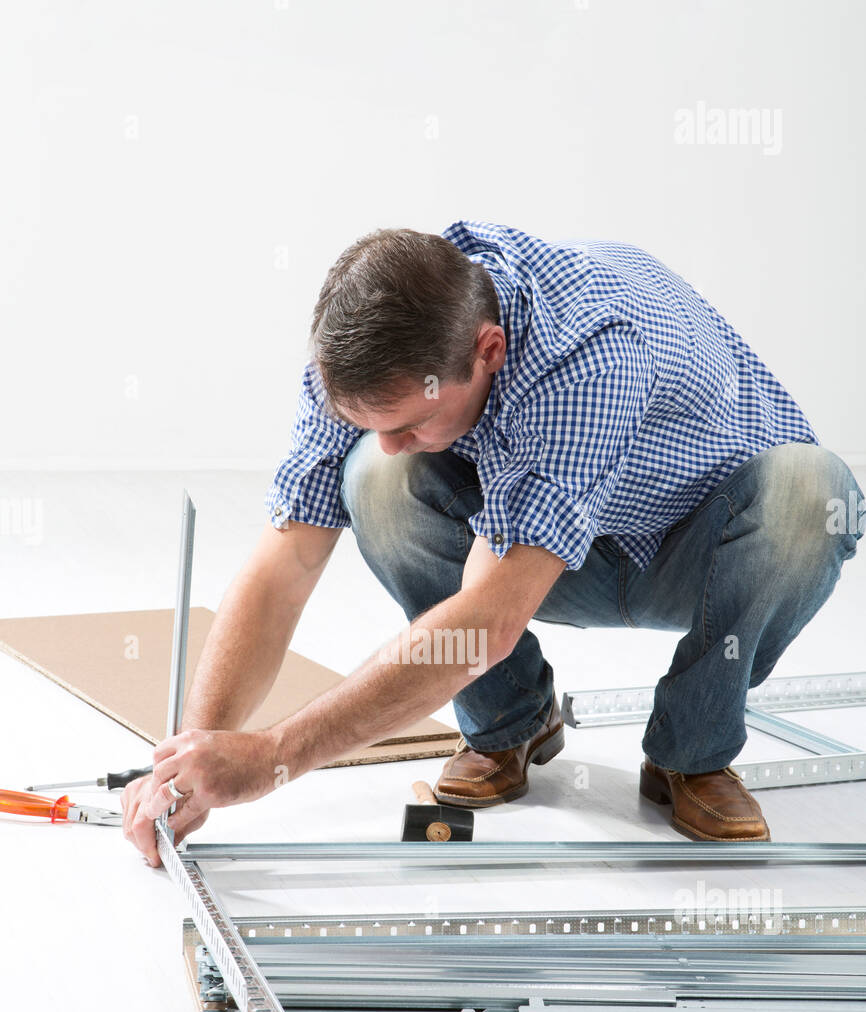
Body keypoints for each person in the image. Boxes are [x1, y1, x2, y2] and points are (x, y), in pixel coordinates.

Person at [122, 221, 863, 862]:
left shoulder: (591, 355)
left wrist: (276, 758)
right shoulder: (370, 353)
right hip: (562, 550)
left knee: (815, 495)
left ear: (489, 350)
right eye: (372, 421)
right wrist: (192, 758)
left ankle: (691, 757)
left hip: (707, 555)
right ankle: (512, 724)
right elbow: (283, 565)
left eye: (408, 421)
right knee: (376, 483)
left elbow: (487, 620)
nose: (389, 441)